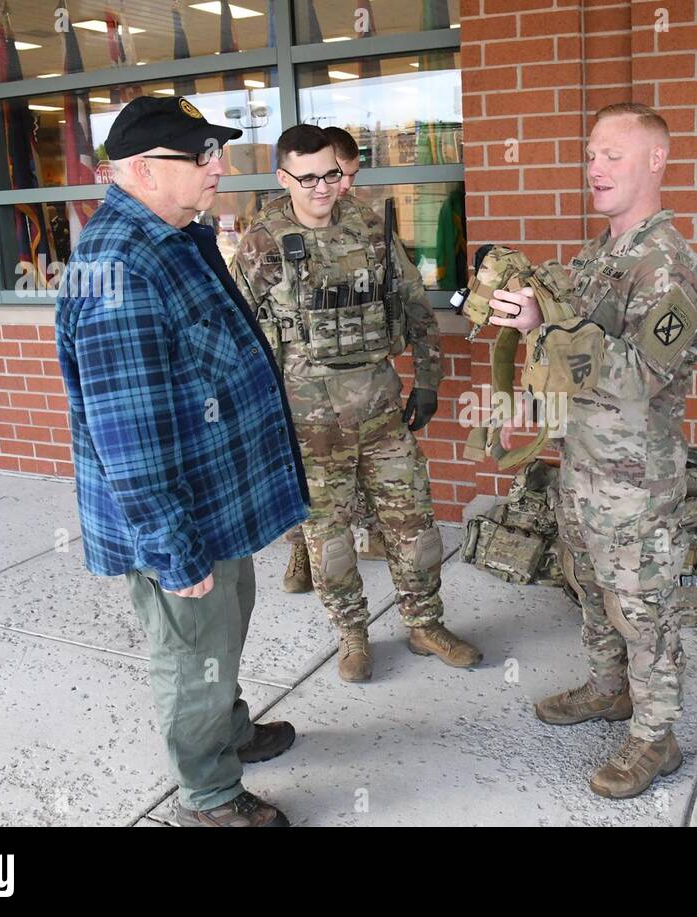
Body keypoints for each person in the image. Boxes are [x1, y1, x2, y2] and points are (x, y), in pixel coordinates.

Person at [56, 96, 309, 827]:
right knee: (192, 650)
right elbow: (126, 434)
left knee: (223, 626)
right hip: (180, 515)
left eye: (215, 152)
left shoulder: (174, 236)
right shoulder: (118, 269)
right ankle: (208, 794)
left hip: (214, 498)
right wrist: (171, 546)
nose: (217, 168)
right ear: (139, 170)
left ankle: (228, 731)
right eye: (199, 156)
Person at [488, 103, 697, 799]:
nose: (595, 168)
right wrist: (520, 401)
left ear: (655, 160)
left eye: (613, 155)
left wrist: (543, 329)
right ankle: (608, 689)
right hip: (581, 463)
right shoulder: (597, 256)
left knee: (643, 606)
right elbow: (560, 357)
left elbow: (639, 376)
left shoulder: (668, 266)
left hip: (634, 476)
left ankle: (656, 736)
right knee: (588, 587)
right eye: (590, 155)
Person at [231, 124, 481, 684]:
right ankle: (352, 635)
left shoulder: (369, 225)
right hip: (309, 427)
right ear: (284, 178)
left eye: (333, 173)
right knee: (332, 543)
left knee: (415, 527)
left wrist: (428, 381)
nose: (324, 187)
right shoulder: (263, 243)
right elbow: (238, 337)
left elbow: (413, 303)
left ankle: (424, 623)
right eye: (310, 177)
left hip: (381, 413)